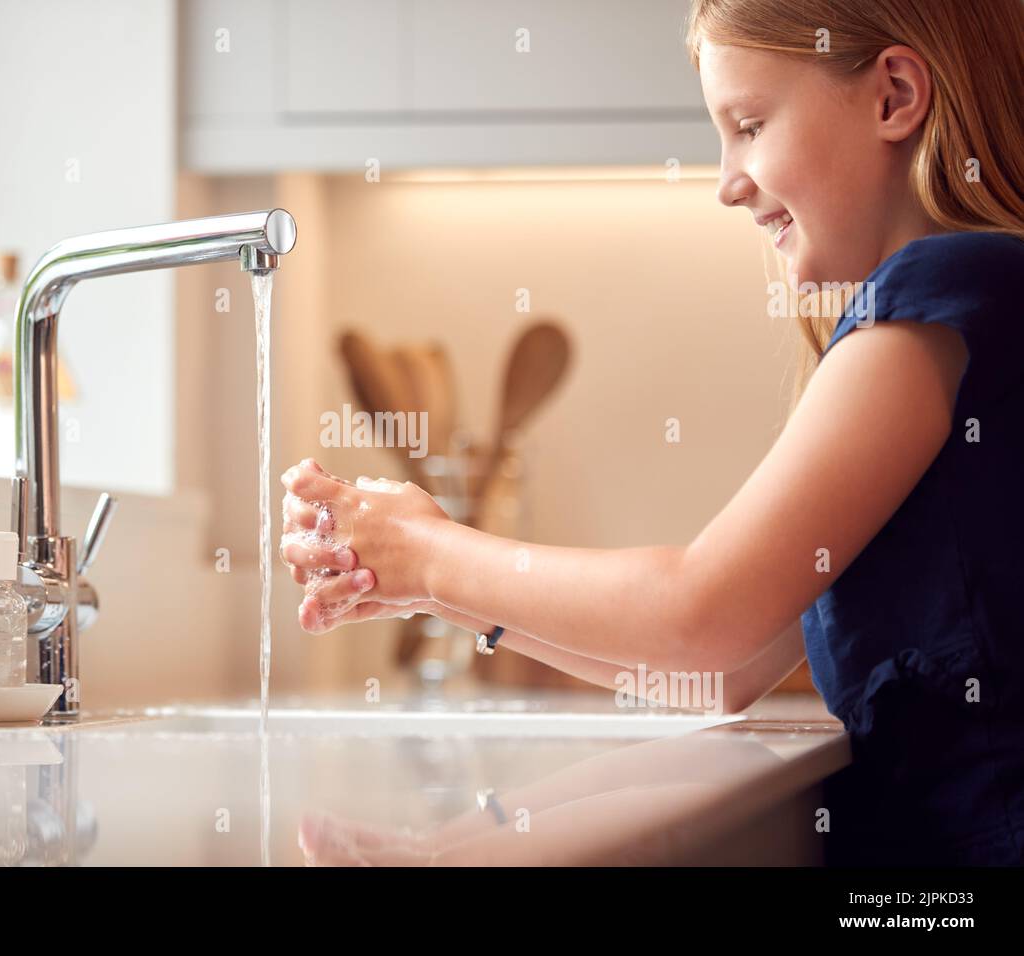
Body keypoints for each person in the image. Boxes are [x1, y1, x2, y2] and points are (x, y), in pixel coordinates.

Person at [279, 0, 1024, 866]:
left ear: (894, 95)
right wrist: (434, 587)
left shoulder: (950, 289)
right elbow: (725, 670)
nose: (727, 180)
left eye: (749, 124)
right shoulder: (955, 300)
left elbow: (700, 616)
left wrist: (431, 553)